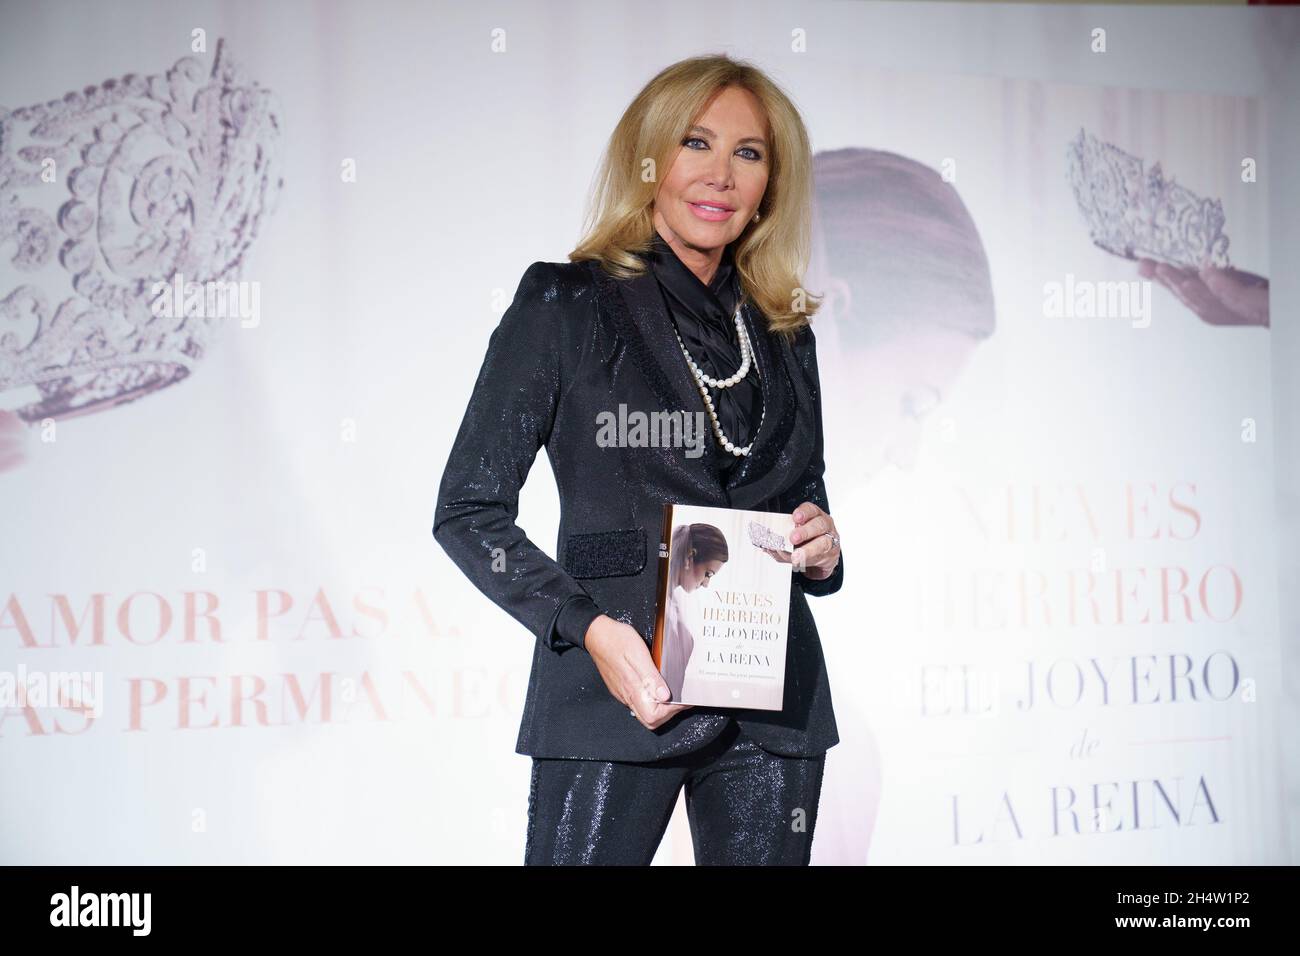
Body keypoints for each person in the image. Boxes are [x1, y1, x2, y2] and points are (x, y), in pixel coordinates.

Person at [432, 53, 843, 865]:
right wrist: (590, 630)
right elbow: (468, 510)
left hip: (773, 706)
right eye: (696, 143)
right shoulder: (566, 303)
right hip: (616, 693)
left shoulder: (786, 334)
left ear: (770, 185)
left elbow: (803, 499)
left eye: (749, 154)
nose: (720, 174)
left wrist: (822, 547)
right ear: (650, 159)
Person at [659, 523, 729, 700]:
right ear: (689, 558)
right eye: (708, 574)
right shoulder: (663, 610)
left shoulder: (672, 608)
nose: (706, 584)